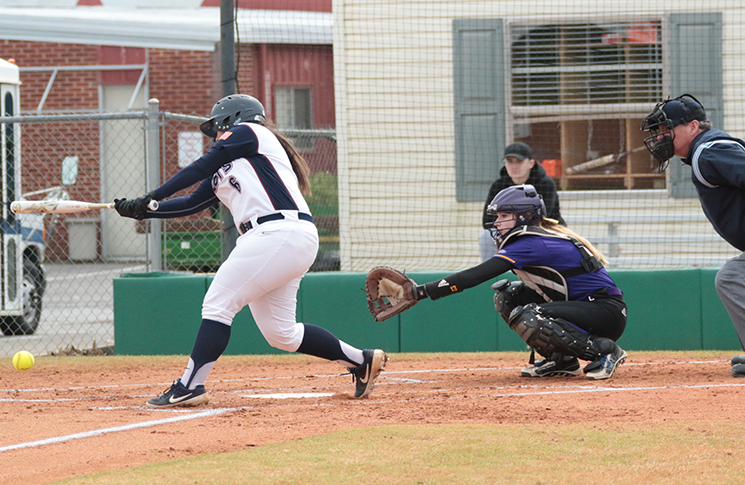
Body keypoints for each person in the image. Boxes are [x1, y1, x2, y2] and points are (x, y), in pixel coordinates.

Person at [114, 94, 387, 407]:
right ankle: (361, 360)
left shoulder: (251, 133)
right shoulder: (226, 169)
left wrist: (151, 196)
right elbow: (191, 203)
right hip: (277, 240)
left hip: (277, 233)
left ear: (231, 120)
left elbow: (200, 165)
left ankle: (190, 385)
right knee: (280, 333)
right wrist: (144, 210)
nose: (216, 136)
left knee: (218, 304)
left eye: (217, 129)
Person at [409, 184, 628, 379]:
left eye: (504, 216)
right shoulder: (533, 238)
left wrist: (420, 292)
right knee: (508, 296)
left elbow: (474, 276)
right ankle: (561, 360)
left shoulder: (531, 243)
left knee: (531, 315)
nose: (497, 222)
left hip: (605, 313)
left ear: (524, 216)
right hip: (586, 308)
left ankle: (605, 350)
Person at [641, 94, 745, 378]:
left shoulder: (708, 152)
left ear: (693, 126)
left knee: (732, 277)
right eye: (659, 131)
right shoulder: (707, 151)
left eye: (667, 129)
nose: (661, 136)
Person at [479, 142, 564, 260]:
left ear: (531, 163)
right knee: (486, 236)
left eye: (518, 162)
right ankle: (491, 276)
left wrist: (509, 221)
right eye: (509, 162)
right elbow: (487, 220)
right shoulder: (498, 185)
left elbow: (542, 218)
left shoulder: (545, 183)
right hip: (508, 233)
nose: (514, 166)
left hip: (544, 231)